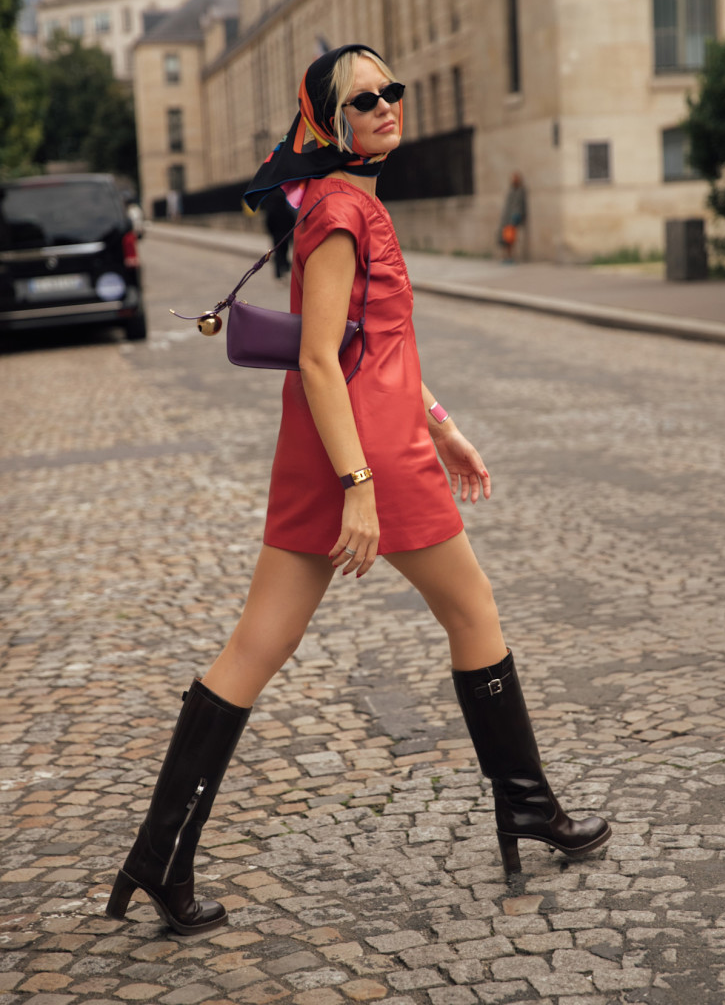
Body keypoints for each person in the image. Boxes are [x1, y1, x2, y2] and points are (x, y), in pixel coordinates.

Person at [106, 45, 610, 937]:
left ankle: (157, 858)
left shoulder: (343, 203)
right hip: (366, 453)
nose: (387, 106)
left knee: (256, 647)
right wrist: (363, 487)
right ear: (329, 123)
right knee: (474, 614)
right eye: (365, 98)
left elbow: (364, 349)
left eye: (393, 91)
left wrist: (444, 423)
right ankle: (529, 809)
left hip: (334, 446)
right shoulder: (341, 212)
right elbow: (316, 358)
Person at [498, 171, 527, 263]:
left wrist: (519, 216)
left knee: (510, 240)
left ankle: (510, 257)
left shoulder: (520, 191)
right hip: (506, 219)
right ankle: (506, 257)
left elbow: (521, 205)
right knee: (504, 240)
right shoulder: (510, 191)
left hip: (513, 219)